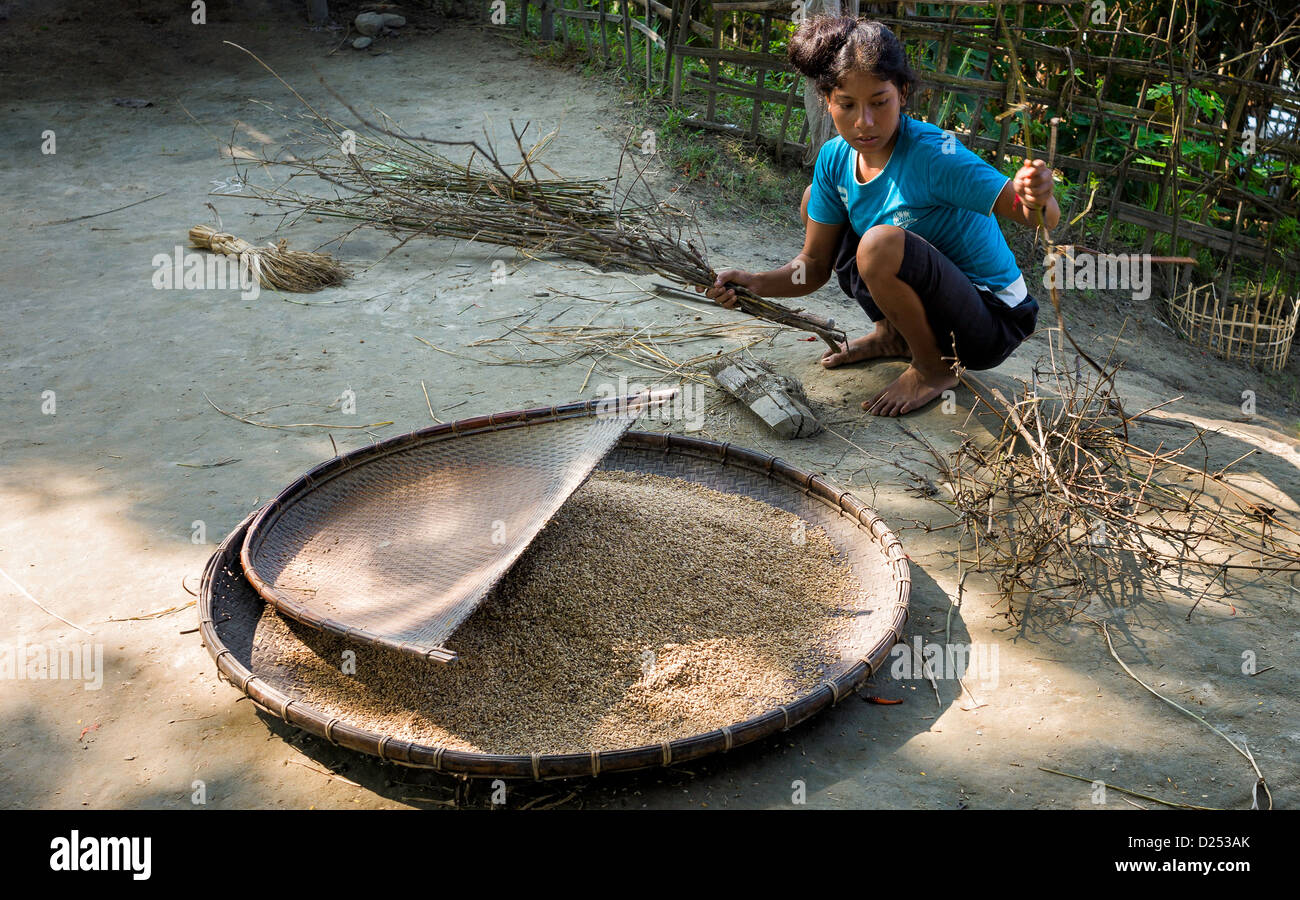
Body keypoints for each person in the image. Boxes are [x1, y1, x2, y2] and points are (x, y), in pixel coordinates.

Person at [699, 16, 1058, 416]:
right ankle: (892, 335)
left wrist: (1037, 196)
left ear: (902, 93)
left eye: (879, 102)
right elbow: (815, 266)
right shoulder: (835, 159)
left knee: (879, 244)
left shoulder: (935, 154)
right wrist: (753, 283)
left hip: (990, 321)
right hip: (936, 306)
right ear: (826, 100)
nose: (863, 122)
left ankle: (934, 368)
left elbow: (1039, 218)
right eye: (847, 105)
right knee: (813, 202)